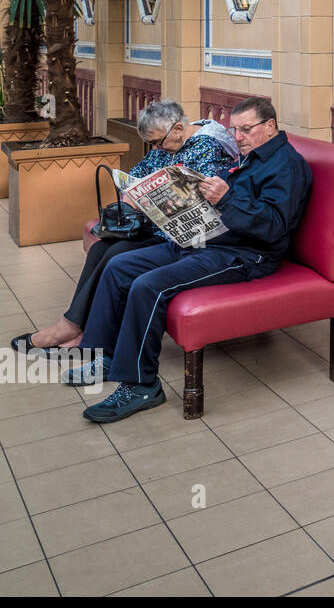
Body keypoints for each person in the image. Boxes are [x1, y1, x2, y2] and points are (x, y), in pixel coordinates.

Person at [63, 96, 313, 423]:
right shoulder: (252, 155)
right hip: (206, 237)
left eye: (246, 130)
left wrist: (226, 198)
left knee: (148, 286)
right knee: (118, 266)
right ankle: (108, 356)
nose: (237, 137)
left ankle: (141, 385)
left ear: (270, 126)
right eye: (235, 130)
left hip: (245, 254)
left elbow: (273, 228)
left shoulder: (288, 165)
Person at [9, 101, 238, 356]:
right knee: (101, 248)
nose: (155, 148)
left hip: (182, 236)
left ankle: (77, 330)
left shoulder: (209, 148)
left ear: (177, 129)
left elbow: (202, 200)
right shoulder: (167, 144)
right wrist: (132, 193)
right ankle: (73, 325)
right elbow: (140, 172)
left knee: (115, 255)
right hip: (155, 226)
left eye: (158, 142)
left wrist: (154, 200)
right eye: (151, 144)